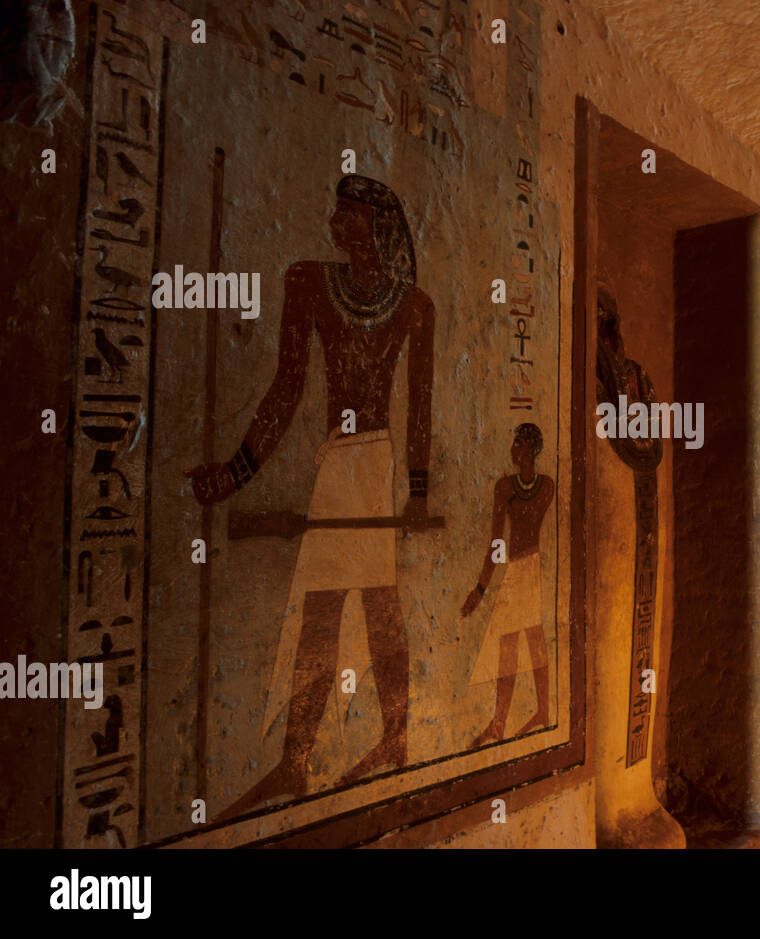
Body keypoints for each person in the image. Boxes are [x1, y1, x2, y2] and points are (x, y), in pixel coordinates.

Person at [186, 175, 436, 818]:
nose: (333, 222)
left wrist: (414, 492)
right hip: (336, 464)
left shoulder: (415, 306)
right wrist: (237, 472)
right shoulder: (308, 281)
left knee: (377, 608)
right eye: (334, 210)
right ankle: (300, 762)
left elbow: (421, 411)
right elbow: (288, 386)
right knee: (323, 614)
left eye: (346, 213)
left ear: (377, 226)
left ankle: (393, 740)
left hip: (375, 462)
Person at [459, 423, 555, 746]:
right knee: (523, 639)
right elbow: (496, 543)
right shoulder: (514, 488)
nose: (512, 450)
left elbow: (497, 543)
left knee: (519, 641)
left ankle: (520, 717)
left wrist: (480, 591)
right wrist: (482, 589)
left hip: (525, 570)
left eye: (517, 443)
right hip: (522, 569)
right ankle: (524, 715)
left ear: (529, 448)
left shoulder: (537, 487)